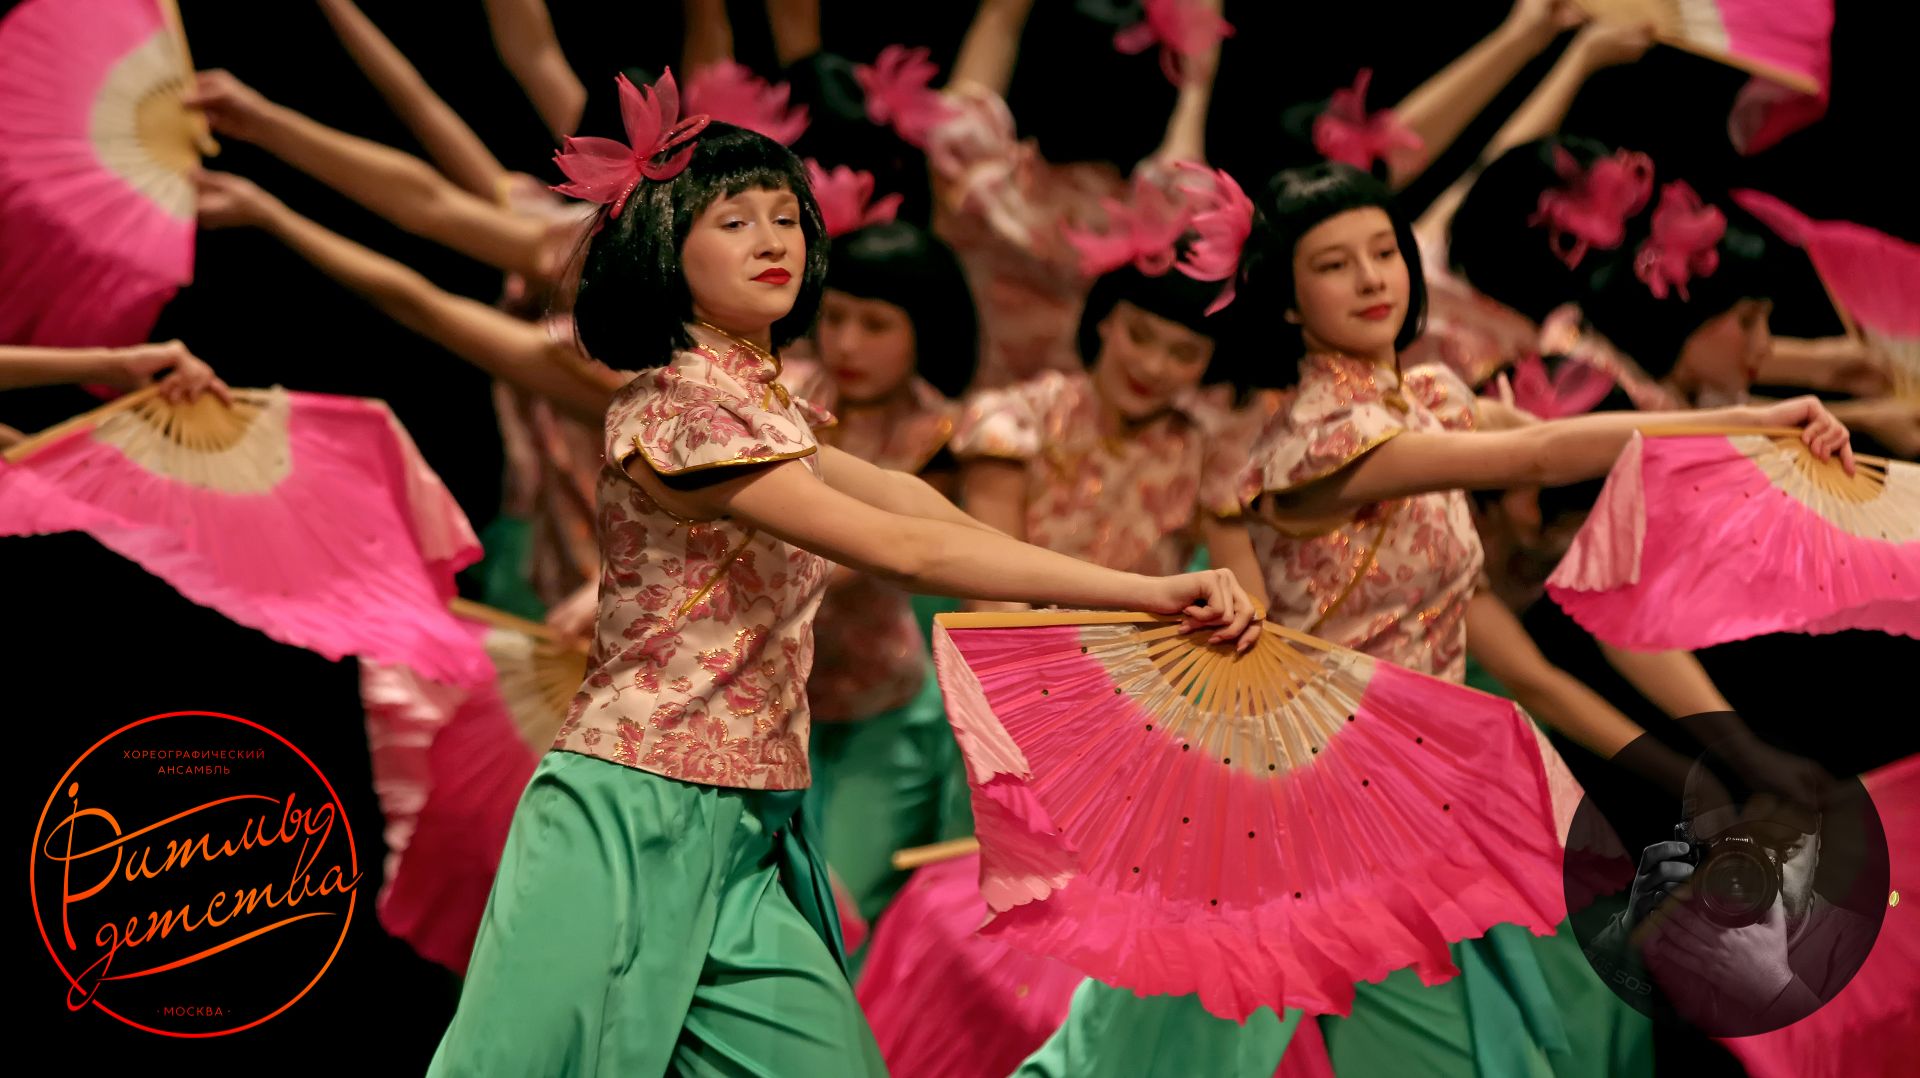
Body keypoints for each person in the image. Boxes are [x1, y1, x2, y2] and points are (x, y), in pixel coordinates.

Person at [424, 74, 1255, 1077]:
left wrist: (1118, 605)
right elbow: (906, 554)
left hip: (753, 820)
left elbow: (922, 509)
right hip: (633, 804)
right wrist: (1146, 593)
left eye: (787, 216)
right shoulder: (679, 415)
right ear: (668, 253)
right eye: (736, 220)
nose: (775, 237)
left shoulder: (770, 411)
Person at [1202, 160, 1851, 1077]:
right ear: (1288, 305)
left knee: (1550, 1023)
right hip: (1329, 785)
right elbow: (1544, 453)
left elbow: (1559, 439)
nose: (1373, 278)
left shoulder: (1427, 395)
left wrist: (1760, 425)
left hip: (1435, 772)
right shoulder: (1318, 438)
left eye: (1384, 251)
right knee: (1426, 1050)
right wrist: (1750, 420)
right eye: (1334, 265)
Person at [1585, 751, 1880, 1037]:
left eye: (1783, 847)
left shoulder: (1866, 951)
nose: (1749, 873)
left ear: (1819, 849)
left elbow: (1870, 1064)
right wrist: (1624, 935)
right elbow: (1571, 1020)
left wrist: (1773, 988)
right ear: (1683, 845)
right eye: (1724, 848)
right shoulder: (1663, 927)